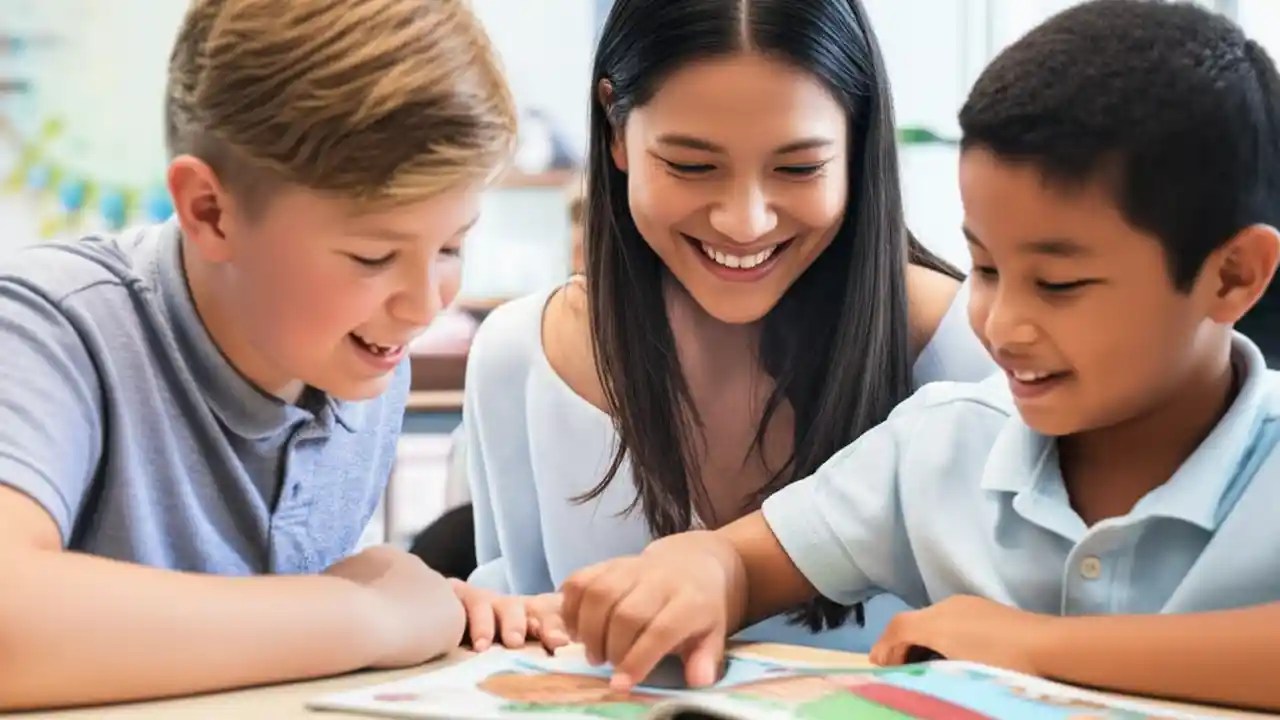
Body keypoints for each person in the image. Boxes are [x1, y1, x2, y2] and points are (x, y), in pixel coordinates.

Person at [558, 0, 1280, 712]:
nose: (1003, 325)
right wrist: (696, 571)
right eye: (987, 268)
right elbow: (740, 560)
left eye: (1060, 284)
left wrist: (1027, 645)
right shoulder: (940, 443)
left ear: (1232, 276)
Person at [0, 0, 538, 710]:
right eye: (373, 256)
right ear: (209, 212)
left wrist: (437, 611)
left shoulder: (362, 360)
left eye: (450, 246)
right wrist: (363, 615)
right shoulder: (50, 326)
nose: (424, 303)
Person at [463, 0, 996, 654]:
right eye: (692, 166)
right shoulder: (519, 358)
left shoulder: (977, 355)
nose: (744, 223)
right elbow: (511, 642)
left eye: (798, 168)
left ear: (857, 143)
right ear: (615, 130)